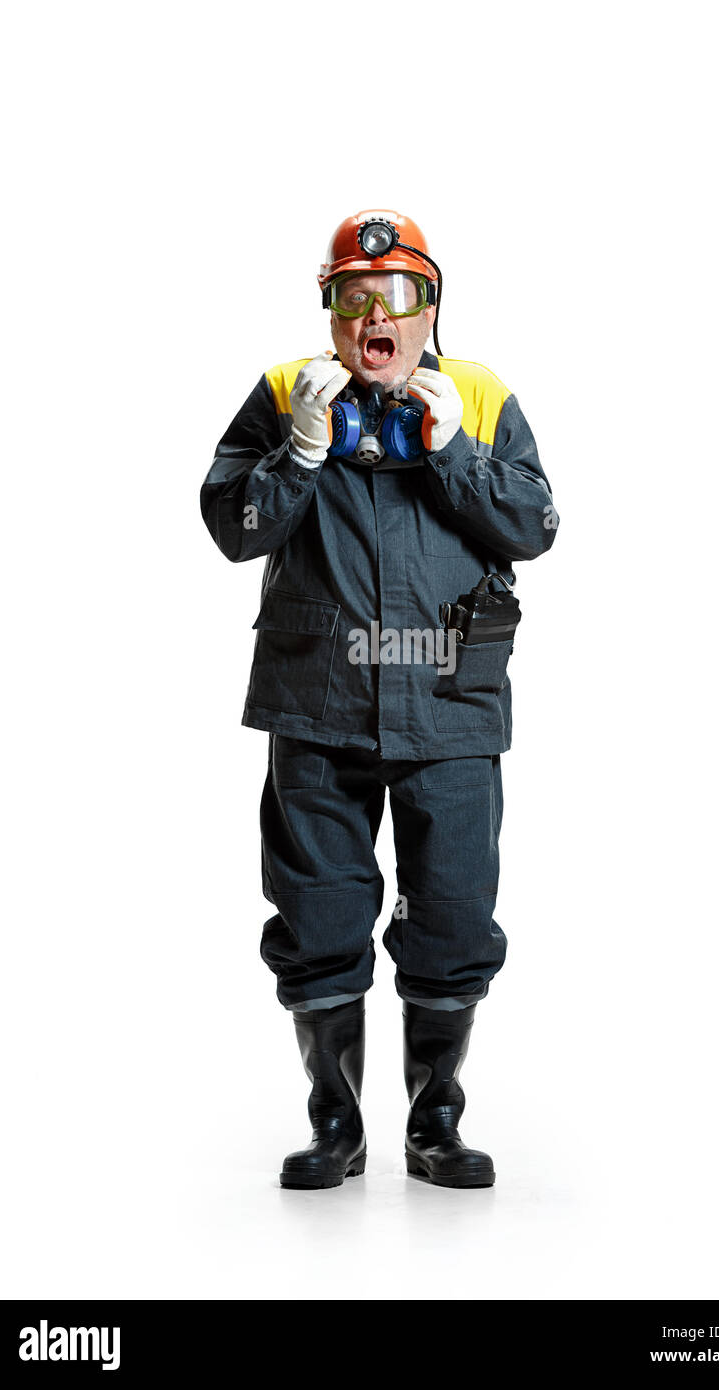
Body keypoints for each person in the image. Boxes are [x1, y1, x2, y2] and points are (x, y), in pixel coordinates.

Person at [201, 210, 559, 1189]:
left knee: (451, 918)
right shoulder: (286, 397)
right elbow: (235, 527)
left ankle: (433, 1119)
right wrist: (300, 454)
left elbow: (531, 525)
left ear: (428, 307)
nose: (374, 313)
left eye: (396, 295)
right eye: (351, 295)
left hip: (449, 706)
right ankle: (337, 1122)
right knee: (317, 919)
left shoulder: (478, 395)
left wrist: (451, 452)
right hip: (316, 706)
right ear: (329, 311)